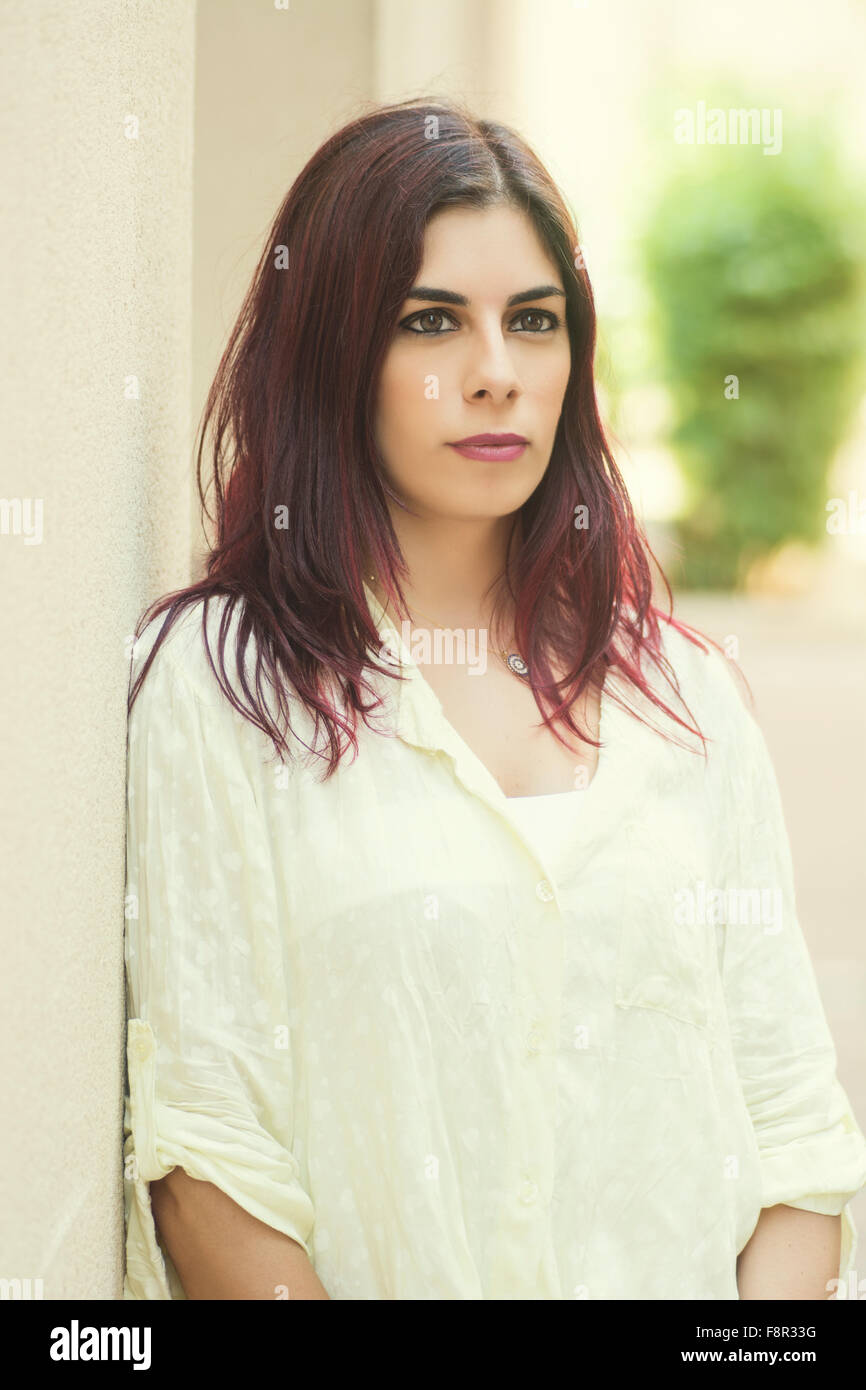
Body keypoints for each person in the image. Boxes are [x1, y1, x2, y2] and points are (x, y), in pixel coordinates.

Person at [122, 97, 866, 1300]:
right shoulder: (224, 688)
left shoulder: (684, 700)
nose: (496, 375)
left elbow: (790, 1136)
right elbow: (209, 1158)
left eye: (534, 322)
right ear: (333, 354)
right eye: (430, 324)